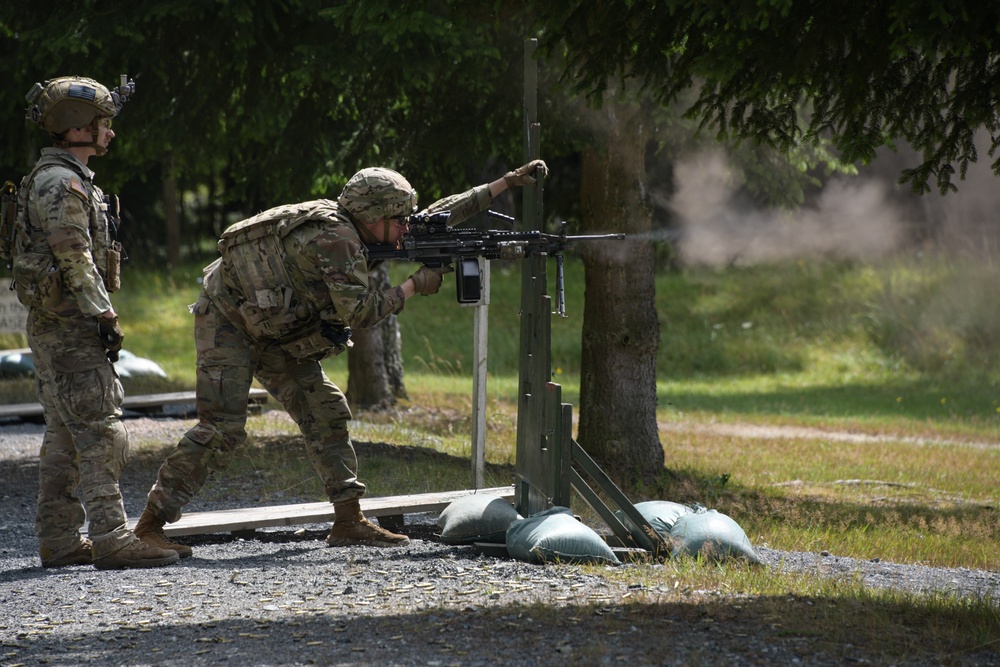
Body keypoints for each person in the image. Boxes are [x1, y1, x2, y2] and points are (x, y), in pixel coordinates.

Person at [134, 160, 547, 557]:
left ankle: (348, 521)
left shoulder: (358, 223)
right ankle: (149, 526)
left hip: (276, 328)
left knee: (327, 410)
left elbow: (439, 214)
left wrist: (505, 183)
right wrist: (413, 286)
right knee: (222, 429)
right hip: (228, 322)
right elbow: (361, 312)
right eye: (398, 219)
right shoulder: (338, 240)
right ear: (372, 216)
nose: (406, 228)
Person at [14, 75, 179, 569]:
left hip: (53, 322)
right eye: (102, 123)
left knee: (64, 433)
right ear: (77, 127)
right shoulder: (62, 184)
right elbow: (75, 256)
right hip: (71, 326)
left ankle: (60, 539)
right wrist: (103, 312)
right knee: (102, 430)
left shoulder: (57, 178)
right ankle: (111, 537)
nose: (109, 131)